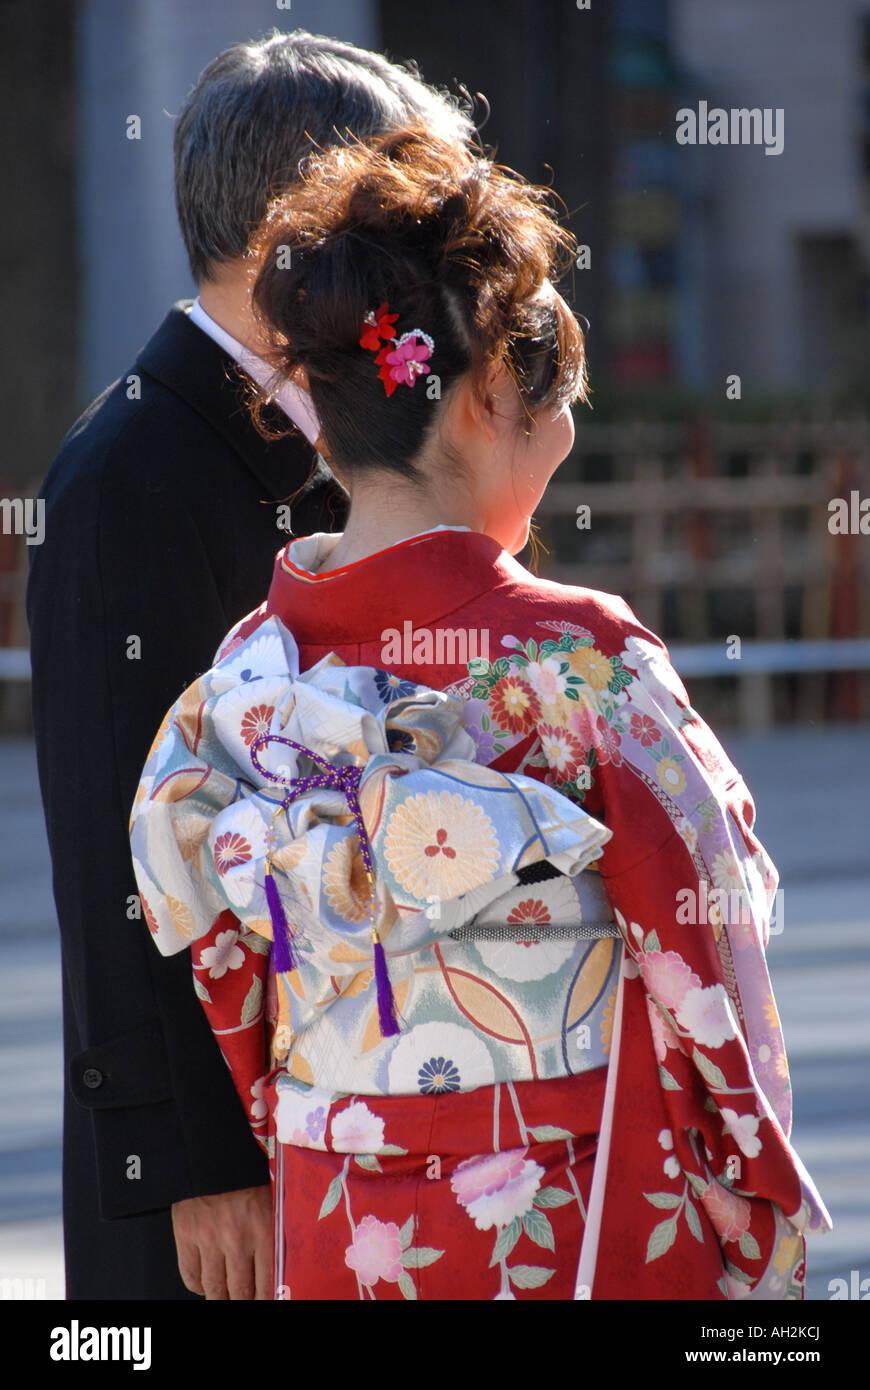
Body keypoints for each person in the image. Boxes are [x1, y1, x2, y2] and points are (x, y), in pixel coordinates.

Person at [129, 128, 831, 1300]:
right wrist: (748, 1197)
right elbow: (709, 951)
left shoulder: (243, 680)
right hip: (573, 1202)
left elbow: (231, 985)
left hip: (342, 1206)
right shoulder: (579, 661)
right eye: (551, 391)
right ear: (492, 391)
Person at [26, 31, 473, 1302]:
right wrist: (188, 1162)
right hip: (207, 1188)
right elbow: (117, 858)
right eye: (395, 210)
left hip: (328, 1106)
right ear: (305, 220)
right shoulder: (127, 476)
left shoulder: (315, 431)